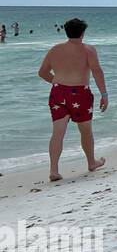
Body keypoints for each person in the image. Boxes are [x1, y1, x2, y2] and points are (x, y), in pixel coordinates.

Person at [38, 17, 108, 181]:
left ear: (66, 31)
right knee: (85, 130)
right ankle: (91, 162)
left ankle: (54, 170)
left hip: (58, 92)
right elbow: (97, 72)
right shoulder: (88, 50)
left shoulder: (55, 50)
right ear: (83, 33)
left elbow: (42, 72)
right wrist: (104, 94)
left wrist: (56, 82)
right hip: (80, 93)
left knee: (57, 132)